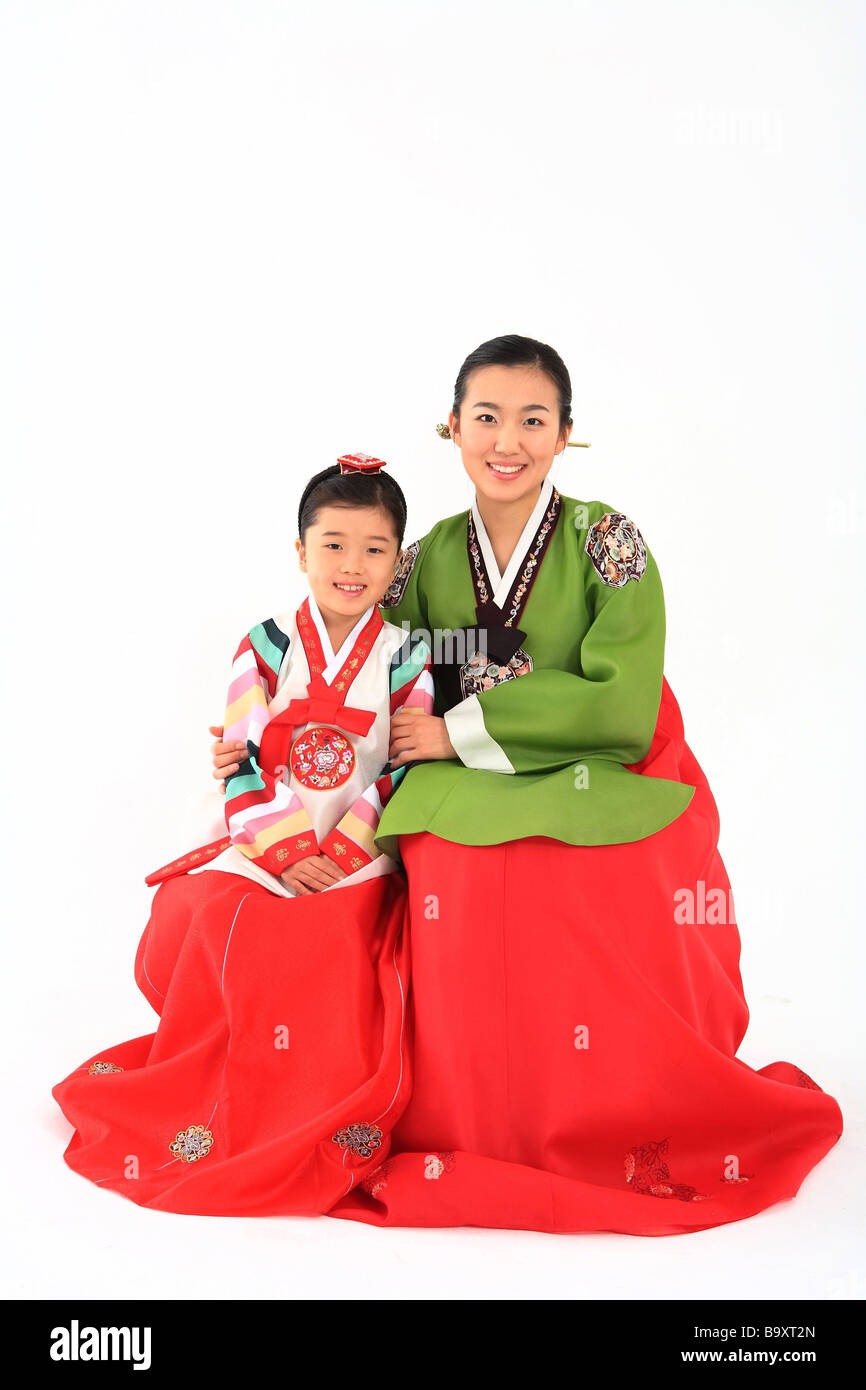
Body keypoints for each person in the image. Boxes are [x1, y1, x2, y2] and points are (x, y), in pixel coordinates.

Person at [213, 334, 843, 1237]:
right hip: (446, 760)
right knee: (459, 874)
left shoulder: (610, 541)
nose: (508, 439)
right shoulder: (426, 553)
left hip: (593, 754)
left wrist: (464, 727)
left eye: (533, 420)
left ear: (565, 434)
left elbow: (622, 695)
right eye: (487, 417)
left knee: (576, 874)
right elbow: (359, 664)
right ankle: (459, 1117)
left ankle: (608, 1112)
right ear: (454, 429)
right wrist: (257, 731)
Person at [52, 454, 435, 1216]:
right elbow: (239, 758)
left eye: (373, 548)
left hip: (362, 851)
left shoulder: (410, 653)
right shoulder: (262, 645)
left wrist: (342, 853)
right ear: (300, 552)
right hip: (267, 840)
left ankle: (311, 1107)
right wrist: (290, 853)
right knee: (212, 914)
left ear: (397, 560)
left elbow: (407, 766)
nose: (350, 565)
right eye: (332, 544)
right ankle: (216, 1097)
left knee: (331, 940)